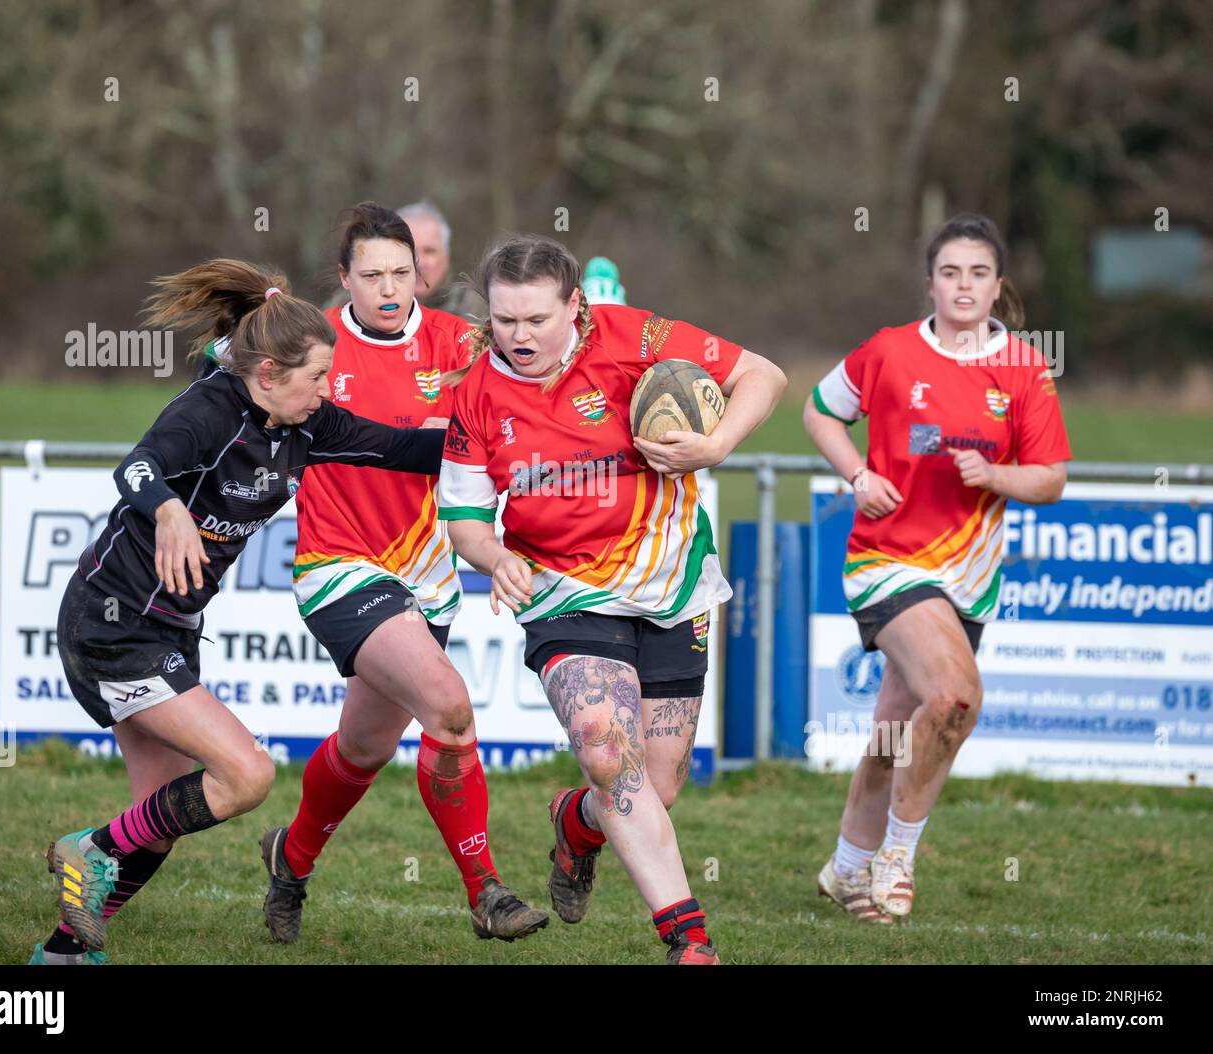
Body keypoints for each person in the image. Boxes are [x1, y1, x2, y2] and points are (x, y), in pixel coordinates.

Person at [31, 259, 446, 964]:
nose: (326, 389)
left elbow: (402, 448)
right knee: (247, 776)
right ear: (267, 375)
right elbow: (136, 467)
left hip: (168, 628)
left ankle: (66, 952)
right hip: (113, 623)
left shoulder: (305, 424)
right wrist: (166, 509)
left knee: (155, 820)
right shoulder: (210, 410)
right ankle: (87, 849)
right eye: (316, 377)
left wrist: (505, 446)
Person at [438, 234, 786, 964]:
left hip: (671, 585)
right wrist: (496, 556)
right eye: (504, 321)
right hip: (560, 588)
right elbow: (467, 521)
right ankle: (688, 940)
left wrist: (716, 443)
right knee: (604, 746)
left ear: (576, 306)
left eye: (536, 320)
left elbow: (764, 374)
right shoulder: (475, 394)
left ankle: (578, 826)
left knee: (655, 782)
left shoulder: (637, 339)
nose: (519, 337)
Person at [259, 203, 547, 945]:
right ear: (343, 279)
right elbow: (233, 381)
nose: (390, 289)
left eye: (403, 272)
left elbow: (515, 419)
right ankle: (486, 891)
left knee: (364, 747)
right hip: (339, 567)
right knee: (450, 709)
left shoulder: (460, 343)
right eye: (372, 275)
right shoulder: (314, 344)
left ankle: (289, 860)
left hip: (428, 576)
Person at [803, 213, 1071, 923]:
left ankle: (847, 867)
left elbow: (1050, 478)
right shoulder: (889, 351)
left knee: (899, 730)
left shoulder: (1022, 367)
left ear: (997, 286)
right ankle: (897, 860)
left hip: (970, 582)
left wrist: (995, 474)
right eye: (950, 272)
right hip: (886, 560)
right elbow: (820, 411)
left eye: (978, 273)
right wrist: (857, 474)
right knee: (955, 698)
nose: (963, 285)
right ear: (930, 283)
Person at [322, 200, 484, 321]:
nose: (418, 262)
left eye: (429, 251)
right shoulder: (350, 301)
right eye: (410, 251)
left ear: (446, 258)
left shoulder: (473, 306)